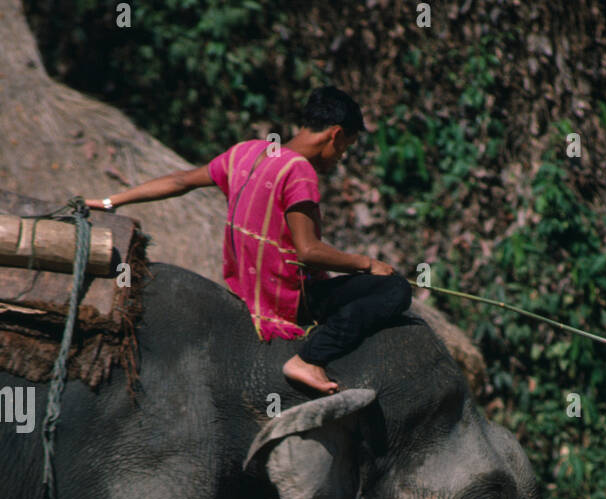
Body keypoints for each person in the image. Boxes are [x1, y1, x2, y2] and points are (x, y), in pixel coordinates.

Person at [86, 86, 412, 394]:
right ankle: (309, 359)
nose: (341, 157)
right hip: (288, 300)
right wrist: (367, 264)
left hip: (245, 290)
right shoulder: (299, 172)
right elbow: (309, 252)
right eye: (345, 148)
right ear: (335, 135)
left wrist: (112, 201)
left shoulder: (247, 152)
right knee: (396, 290)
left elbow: (181, 179)